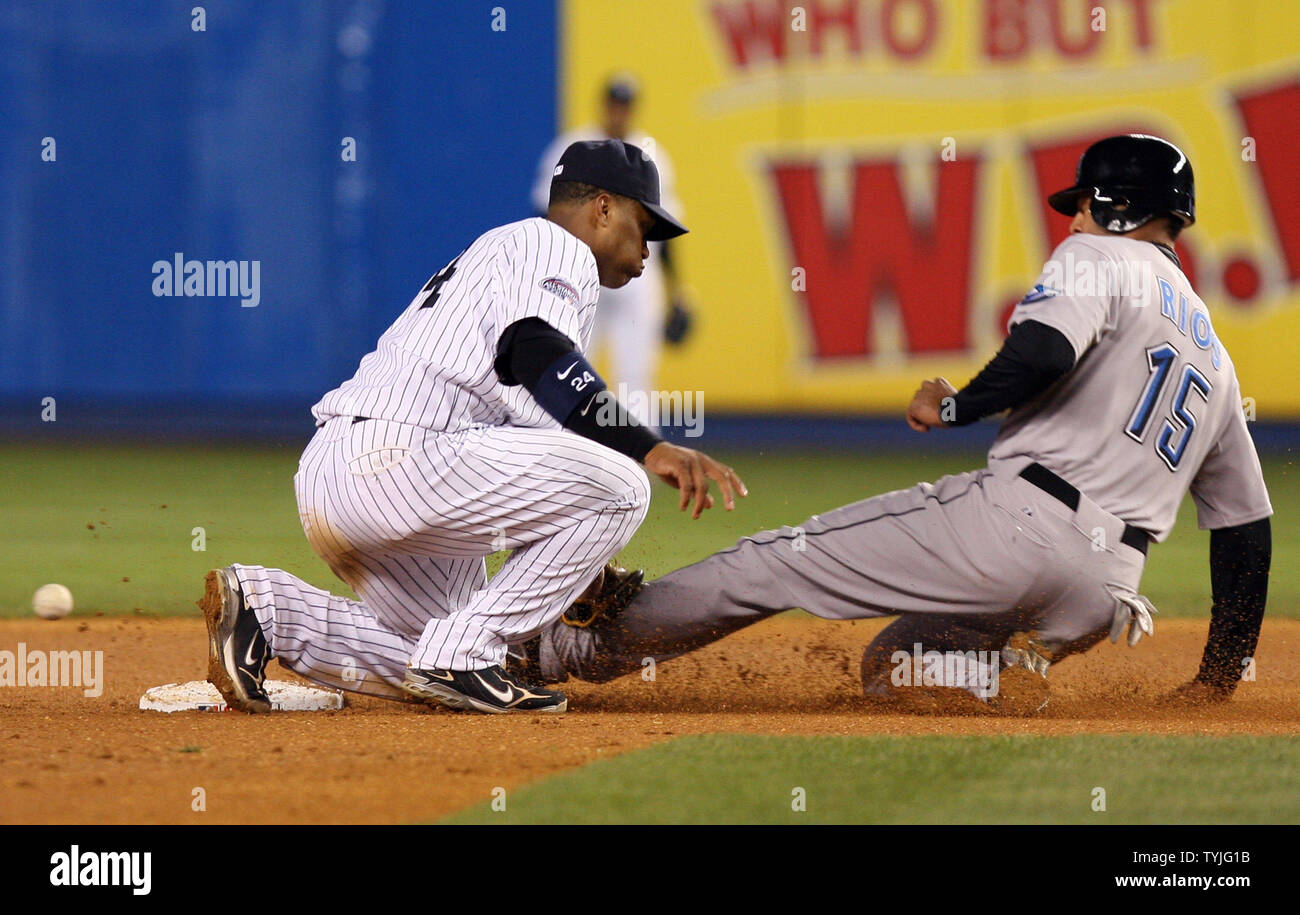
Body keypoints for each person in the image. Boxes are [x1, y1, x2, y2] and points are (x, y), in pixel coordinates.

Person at [524, 135, 1272, 712]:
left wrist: (955, 406)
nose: (1072, 218)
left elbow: (1044, 349)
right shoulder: (1217, 360)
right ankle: (997, 670)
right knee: (896, 663)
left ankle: (558, 654)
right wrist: (1219, 676)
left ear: (1115, 210)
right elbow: (1246, 528)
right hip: (1107, 591)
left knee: (777, 559)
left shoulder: (1099, 254)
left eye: (1083, 204)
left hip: (1019, 528)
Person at [202, 139, 746, 715]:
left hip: (351, 472)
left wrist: (583, 571)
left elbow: (542, 441)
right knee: (623, 488)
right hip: (401, 457)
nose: (646, 252)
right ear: (603, 209)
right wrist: (650, 447)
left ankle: (270, 611)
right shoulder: (551, 244)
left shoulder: (508, 258)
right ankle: (459, 655)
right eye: (644, 228)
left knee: (439, 651)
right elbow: (536, 351)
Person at [532, 74, 693, 423]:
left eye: (626, 104)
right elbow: (546, 212)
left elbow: (662, 231)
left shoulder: (653, 155)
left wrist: (678, 291)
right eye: (615, 102)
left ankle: (636, 464)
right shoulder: (573, 146)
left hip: (636, 277)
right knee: (568, 366)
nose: (619, 111)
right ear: (604, 104)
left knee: (635, 376)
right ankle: (559, 452)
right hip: (576, 271)